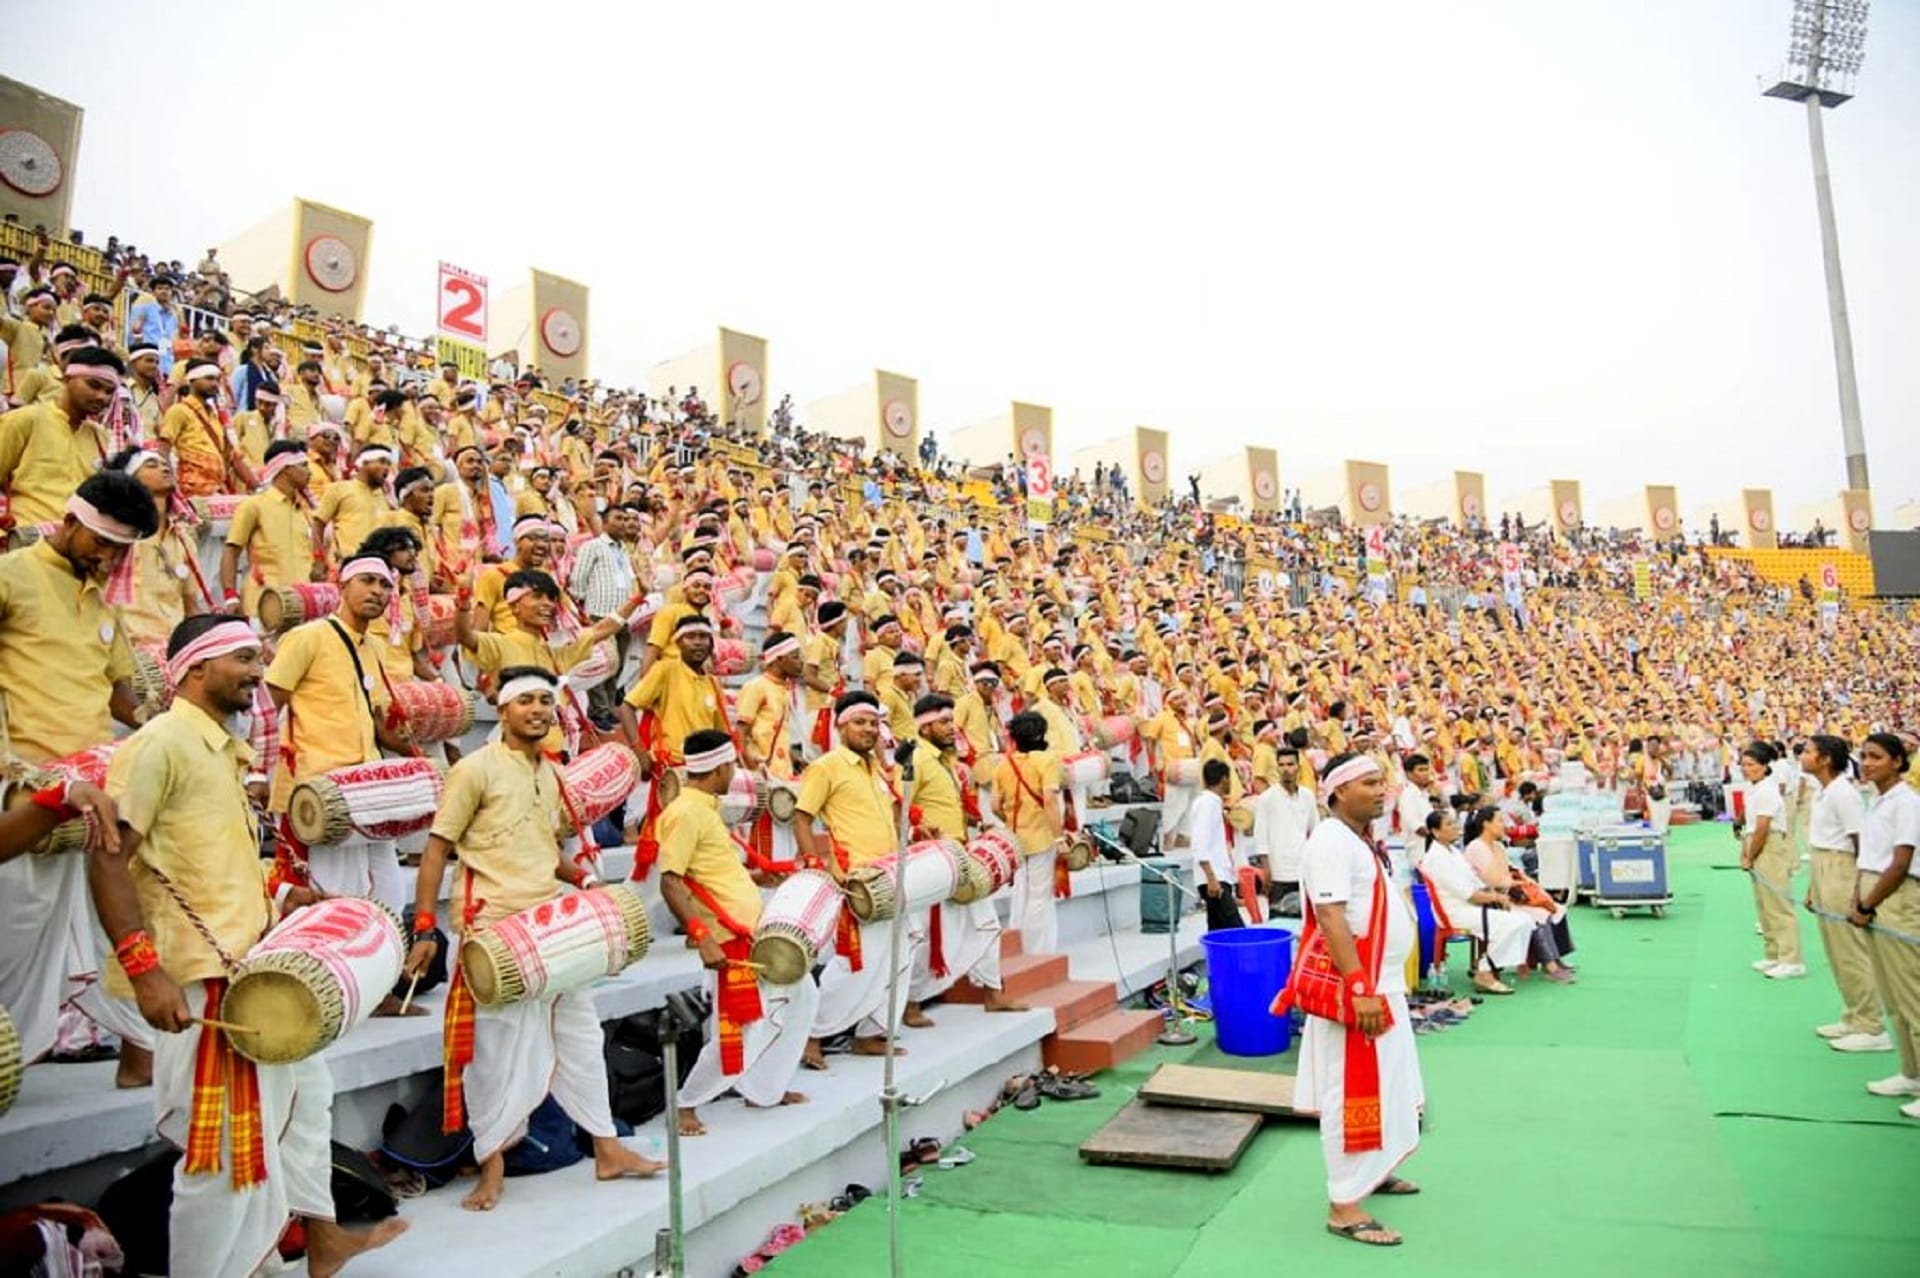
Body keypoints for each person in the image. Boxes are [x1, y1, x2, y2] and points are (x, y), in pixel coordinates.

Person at [91, 614, 407, 1275]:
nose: (260, 671)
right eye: (244, 658)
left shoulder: (219, 749)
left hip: (255, 971)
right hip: (206, 991)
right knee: (223, 1156)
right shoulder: (160, 744)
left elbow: (205, 864)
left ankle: (321, 1242)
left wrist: (284, 901)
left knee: (306, 1107)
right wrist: (146, 971)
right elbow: (112, 858)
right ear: (196, 668)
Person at [404, 667, 664, 1211]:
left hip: (553, 930)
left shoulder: (552, 774)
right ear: (501, 710)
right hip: (492, 932)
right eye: (526, 701)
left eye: (547, 700)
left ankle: (608, 1150)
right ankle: (492, 1166)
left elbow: (548, 855)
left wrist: (588, 880)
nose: (539, 710)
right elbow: (435, 851)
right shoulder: (474, 770)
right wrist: (426, 927)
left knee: (582, 1038)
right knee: (495, 1057)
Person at [0, 469, 162, 1084]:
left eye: (121, 551)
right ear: (68, 522)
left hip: (95, 786)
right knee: (16, 942)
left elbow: (121, 697)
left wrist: (164, 730)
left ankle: (138, 1054)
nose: (109, 558)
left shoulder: (101, 605)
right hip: (27, 792)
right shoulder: (11, 578)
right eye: (102, 543)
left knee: (114, 921)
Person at [1292, 752, 1422, 1247]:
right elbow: (1331, 918)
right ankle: (1344, 1205)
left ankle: (1375, 1168)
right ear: (1339, 791)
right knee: (1352, 1096)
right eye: (1369, 782)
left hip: (1383, 984)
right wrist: (1359, 988)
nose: (1381, 789)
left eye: (1382, 781)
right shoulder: (1330, 841)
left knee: (1391, 1085)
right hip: (1362, 991)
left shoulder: (1355, 840)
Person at [659, 728, 817, 1135]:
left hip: (750, 932)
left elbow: (708, 871)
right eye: (732, 764)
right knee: (741, 1027)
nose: (735, 772)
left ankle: (764, 1088)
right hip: (727, 939)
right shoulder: (685, 812)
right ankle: (686, 1103)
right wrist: (703, 936)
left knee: (802, 998)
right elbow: (671, 881)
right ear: (720, 767)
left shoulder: (706, 808)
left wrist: (754, 877)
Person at [264, 556, 416, 923]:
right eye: (367, 581)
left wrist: (415, 757)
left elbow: (376, 717)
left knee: (388, 895)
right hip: (321, 792)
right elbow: (268, 706)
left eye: (385, 586)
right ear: (342, 586)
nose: (377, 592)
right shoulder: (307, 637)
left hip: (366, 789)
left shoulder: (373, 647)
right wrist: (256, 773)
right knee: (333, 899)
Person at [794, 690, 914, 1070]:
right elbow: (801, 817)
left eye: (873, 723)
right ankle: (809, 1034)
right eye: (859, 722)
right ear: (841, 725)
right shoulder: (826, 766)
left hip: (890, 872)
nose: (868, 729)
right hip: (857, 879)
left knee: (900, 953)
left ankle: (869, 1033)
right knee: (853, 961)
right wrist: (816, 861)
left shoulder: (877, 768)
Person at [902, 692, 1021, 1015]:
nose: (952, 728)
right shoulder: (916, 760)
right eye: (943, 722)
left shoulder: (948, 762)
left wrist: (974, 822)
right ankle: (911, 1003)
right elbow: (899, 805)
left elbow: (947, 803)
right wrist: (920, 828)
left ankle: (993, 994)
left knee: (987, 924)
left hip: (959, 853)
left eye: (952, 721)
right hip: (929, 859)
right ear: (924, 728)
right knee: (925, 933)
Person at [1800, 735, 1887, 1051]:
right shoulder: (1824, 792)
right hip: (1824, 865)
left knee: (1851, 950)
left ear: (1824, 759)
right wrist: (1813, 885)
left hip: (1842, 867)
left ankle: (1871, 1025)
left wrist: (1859, 889)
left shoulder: (1843, 794)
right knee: (1835, 948)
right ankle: (1853, 1014)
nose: (1803, 756)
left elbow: (1859, 841)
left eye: (1808, 752)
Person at [1852, 732, 1920, 1115]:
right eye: (1864, 756)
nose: (1867, 762)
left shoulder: (1907, 803)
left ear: (1897, 760)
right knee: (1892, 994)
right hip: (1873, 893)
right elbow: (1869, 858)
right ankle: (1912, 1071)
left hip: (1897, 897)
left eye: (1876, 756)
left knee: (1913, 993)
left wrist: (1868, 902)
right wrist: (1856, 899)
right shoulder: (1876, 801)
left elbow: (1900, 863)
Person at [0, 344, 121, 531]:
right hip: (26, 537)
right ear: (66, 379)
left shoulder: (101, 437)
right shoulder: (25, 419)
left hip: (78, 542)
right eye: (93, 385)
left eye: (109, 392)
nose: (101, 397)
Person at [1414, 810, 1532, 995]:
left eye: (1455, 822)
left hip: (1470, 906)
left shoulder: (1453, 851)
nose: (1455, 827)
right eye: (1449, 824)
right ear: (1436, 832)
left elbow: (1475, 881)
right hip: (1455, 912)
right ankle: (1485, 971)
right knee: (1514, 923)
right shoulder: (1435, 858)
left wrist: (1494, 893)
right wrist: (1496, 898)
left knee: (1525, 920)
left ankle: (1489, 966)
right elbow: (1468, 894)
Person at [1463, 806, 1576, 983]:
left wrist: (1519, 880)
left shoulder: (1496, 846)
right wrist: (1499, 856)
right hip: (1488, 900)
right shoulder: (1477, 847)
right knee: (1537, 914)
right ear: (1486, 824)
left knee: (1551, 908)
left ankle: (1555, 959)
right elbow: (1494, 880)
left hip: (1505, 895)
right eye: (1499, 821)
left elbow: (1505, 876)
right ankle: (1550, 966)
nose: (1504, 825)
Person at [990, 710, 1066, 954]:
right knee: (1039, 896)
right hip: (1042, 836)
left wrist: (1011, 819)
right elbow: (1051, 801)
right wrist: (1059, 836)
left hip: (1015, 837)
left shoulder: (1003, 764)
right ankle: (1035, 950)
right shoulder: (1046, 760)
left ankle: (1019, 942)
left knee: (1021, 893)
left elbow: (994, 806)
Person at [220, 442, 319, 617]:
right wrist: (230, 597)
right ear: (286, 469)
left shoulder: (305, 511)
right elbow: (231, 551)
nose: (309, 472)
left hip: (302, 604)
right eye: (303, 466)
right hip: (263, 604)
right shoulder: (254, 505)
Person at [1738, 742, 1805, 979]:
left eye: (1752, 764)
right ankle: (1773, 954)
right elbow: (1750, 826)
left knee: (1778, 904)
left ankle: (1791, 959)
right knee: (1764, 905)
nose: (1747, 769)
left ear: (1765, 765)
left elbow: (1763, 827)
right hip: (1755, 842)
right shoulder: (1754, 788)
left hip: (1770, 846)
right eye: (1744, 764)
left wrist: (1750, 855)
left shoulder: (1767, 789)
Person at [1255, 742, 1318, 913]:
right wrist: (1266, 869)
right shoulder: (1267, 798)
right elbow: (1260, 837)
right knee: (1280, 922)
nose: (1285, 769)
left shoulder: (1307, 796)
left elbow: (1315, 832)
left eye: (1290, 764)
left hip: (1303, 872)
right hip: (1278, 873)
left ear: (1298, 767)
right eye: (1281, 765)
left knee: (1305, 922)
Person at [1190, 758, 1245, 931]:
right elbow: (1200, 843)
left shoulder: (1212, 804)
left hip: (1218, 876)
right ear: (1224, 780)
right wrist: (1211, 878)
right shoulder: (1207, 804)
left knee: (1218, 930)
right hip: (1214, 878)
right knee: (1236, 930)